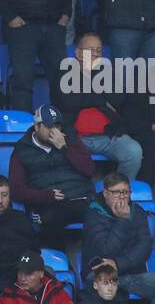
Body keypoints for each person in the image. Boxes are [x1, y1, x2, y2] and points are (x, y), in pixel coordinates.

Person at [82, 174, 155, 304]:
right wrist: (123, 220)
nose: (121, 196)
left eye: (125, 192)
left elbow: (145, 248)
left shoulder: (137, 212)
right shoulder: (93, 213)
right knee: (105, 287)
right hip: (101, 274)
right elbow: (105, 251)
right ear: (105, 193)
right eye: (116, 192)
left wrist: (119, 264)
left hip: (132, 273)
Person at [7, 105, 95, 247]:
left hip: (81, 198)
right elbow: (16, 190)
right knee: (49, 219)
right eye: (49, 127)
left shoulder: (71, 139)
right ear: (36, 127)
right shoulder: (22, 150)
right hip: (50, 204)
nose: (55, 132)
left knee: (102, 215)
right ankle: (57, 261)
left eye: (57, 126)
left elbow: (89, 169)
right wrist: (46, 195)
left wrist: (65, 148)